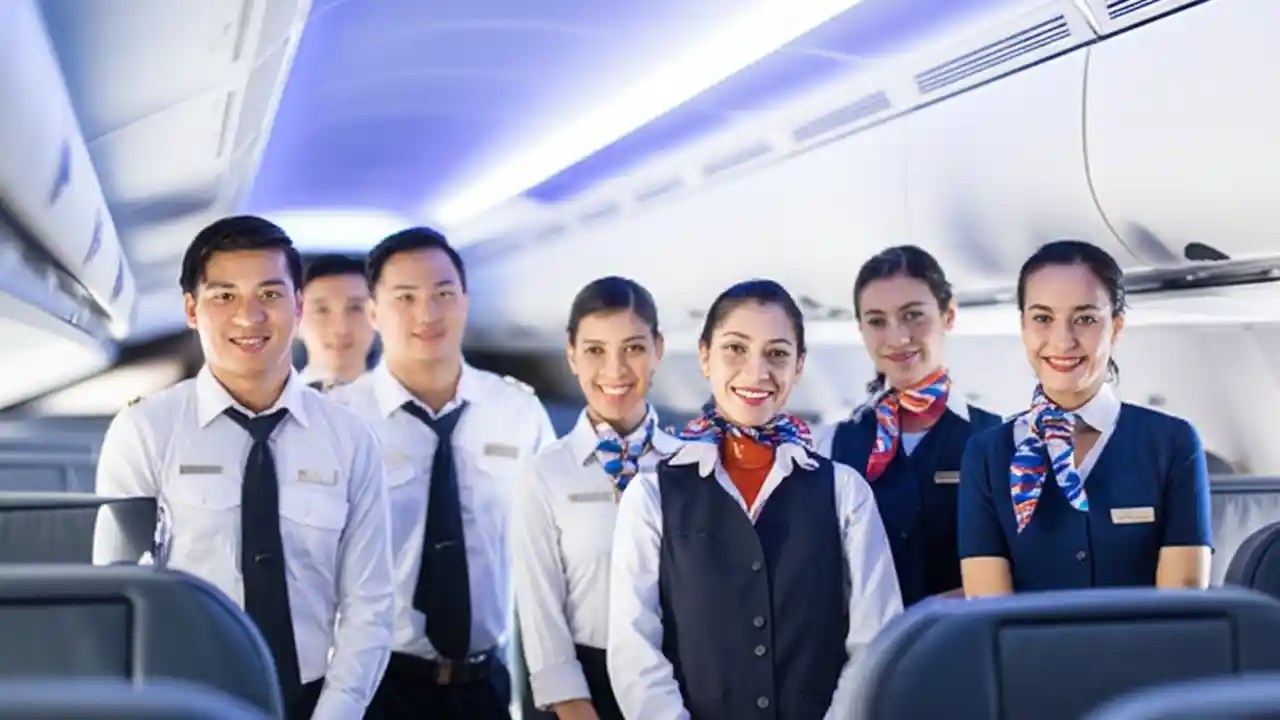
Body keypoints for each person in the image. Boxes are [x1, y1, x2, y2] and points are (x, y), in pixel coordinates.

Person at [92, 215, 396, 719]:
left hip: (315, 699)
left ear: (298, 306)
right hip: (189, 699)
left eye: (270, 295)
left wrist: (335, 713)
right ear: (192, 309)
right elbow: (119, 594)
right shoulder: (146, 431)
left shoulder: (349, 438)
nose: (249, 316)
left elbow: (370, 603)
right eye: (225, 296)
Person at [607, 279, 903, 720]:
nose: (756, 372)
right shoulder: (651, 496)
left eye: (777, 354)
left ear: (798, 366)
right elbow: (634, 651)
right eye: (735, 349)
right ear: (705, 356)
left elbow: (876, 645)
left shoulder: (845, 492)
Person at [326, 227, 555, 720]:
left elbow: (553, 553)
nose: (427, 314)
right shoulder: (339, 421)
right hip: (372, 687)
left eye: (443, 294)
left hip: (485, 687)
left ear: (465, 302)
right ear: (374, 313)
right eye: (405, 298)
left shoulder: (516, 412)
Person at [958, 239, 1213, 596]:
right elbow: (989, 607)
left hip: (1145, 636)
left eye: (1085, 319)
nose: (1063, 341)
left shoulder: (1171, 443)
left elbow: (1182, 603)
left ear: (1116, 327)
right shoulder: (987, 456)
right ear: (1023, 326)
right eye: (1043, 318)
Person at [513, 277, 681, 720]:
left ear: (658, 349)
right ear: (571, 355)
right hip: (584, 686)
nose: (615, 369)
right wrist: (574, 706)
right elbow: (540, 608)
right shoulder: (544, 474)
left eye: (633, 348)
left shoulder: (690, 466)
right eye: (594, 351)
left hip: (679, 683)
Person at [815, 246, 1001, 607]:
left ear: (948, 315)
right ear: (861, 330)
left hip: (969, 639)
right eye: (877, 321)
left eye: (913, 315)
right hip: (867, 644)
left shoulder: (999, 440)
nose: (898, 338)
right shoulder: (830, 447)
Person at [297, 254, 376, 389]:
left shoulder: (403, 398)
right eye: (322, 310)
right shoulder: (271, 399)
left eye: (355, 308)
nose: (341, 329)